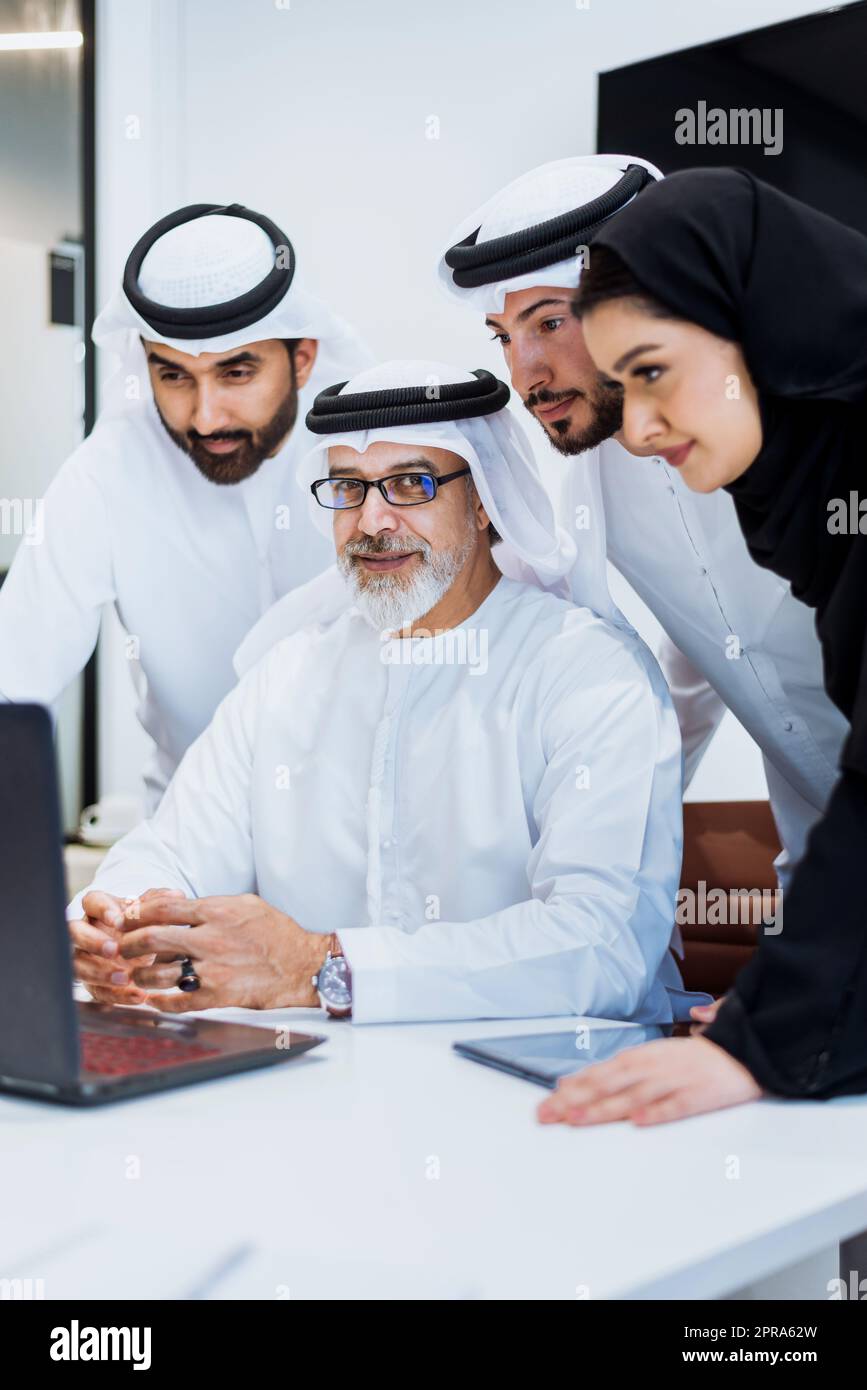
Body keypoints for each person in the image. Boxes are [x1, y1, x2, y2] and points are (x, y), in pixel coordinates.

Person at [67, 361, 699, 1027]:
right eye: (346, 488)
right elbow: (173, 850)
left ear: (484, 498)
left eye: (409, 484)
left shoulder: (586, 671)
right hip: (315, 1091)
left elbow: (602, 947)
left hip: (542, 1095)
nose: (371, 520)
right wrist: (113, 921)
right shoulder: (286, 676)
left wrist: (323, 967)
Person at [539, 166, 867, 1126]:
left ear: (758, 327)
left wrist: (765, 1036)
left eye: (650, 372)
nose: (635, 431)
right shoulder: (821, 499)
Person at [436, 156, 848, 901]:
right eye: (502, 336)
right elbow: (699, 668)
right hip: (822, 890)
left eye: (550, 322)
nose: (525, 372)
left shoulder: (803, 446)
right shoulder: (594, 484)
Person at [0, 202, 369, 808]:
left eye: (237, 372)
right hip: (185, 830)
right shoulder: (108, 474)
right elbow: (17, 686)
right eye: (172, 376)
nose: (204, 416)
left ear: (302, 359)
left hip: (363, 833)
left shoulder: (373, 459)